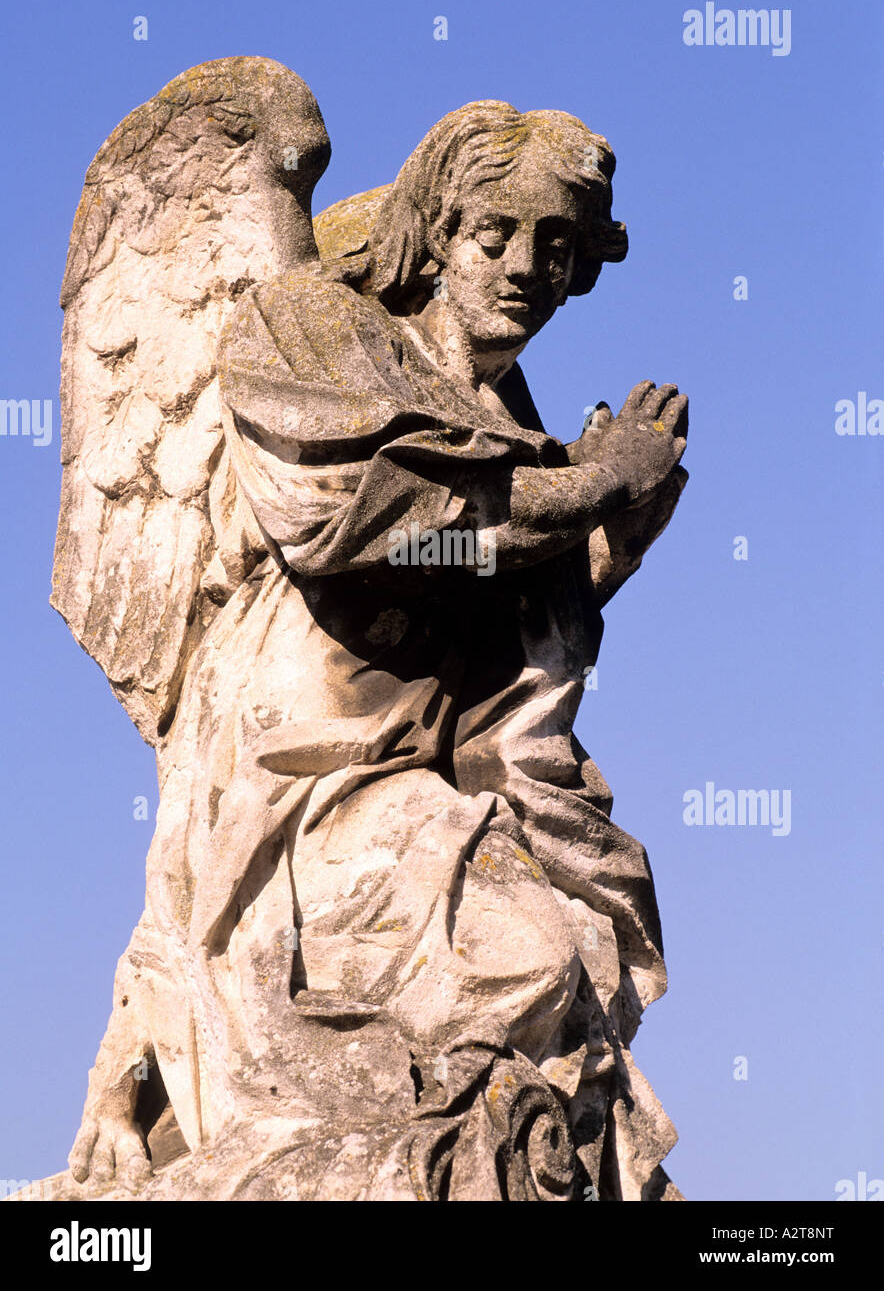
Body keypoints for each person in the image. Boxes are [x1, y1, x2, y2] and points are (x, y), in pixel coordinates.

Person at [69, 99, 688, 1200]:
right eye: (493, 235)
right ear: (438, 228)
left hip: (422, 764)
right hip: (299, 762)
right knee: (521, 960)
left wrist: (599, 554)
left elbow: (497, 627)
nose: (523, 269)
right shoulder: (308, 325)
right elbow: (380, 531)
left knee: (558, 969)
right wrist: (587, 486)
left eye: (556, 248)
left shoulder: (502, 411)